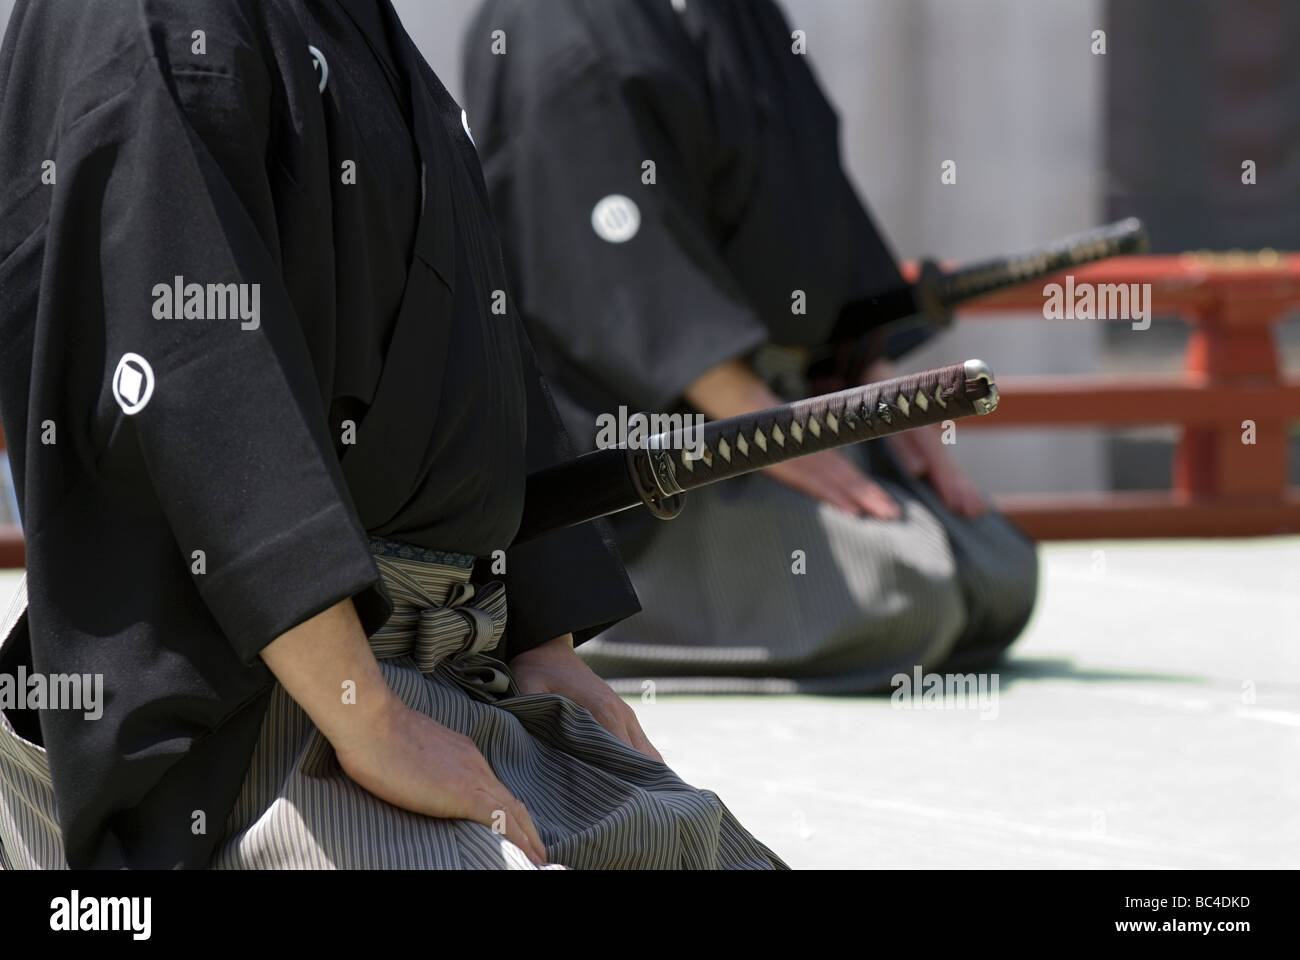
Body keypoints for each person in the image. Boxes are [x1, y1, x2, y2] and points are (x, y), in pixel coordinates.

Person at [0, 0, 784, 870]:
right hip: (248, 718)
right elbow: (194, 375)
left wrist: (544, 645)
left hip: (444, 677)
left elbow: (472, 357)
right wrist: (363, 714)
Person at [462, 0, 1039, 695]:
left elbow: (813, 206)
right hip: (640, 451)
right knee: (905, 593)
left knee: (1002, 574)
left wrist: (875, 382)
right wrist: (754, 423)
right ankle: (582, 617)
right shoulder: (551, 22)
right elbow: (610, 261)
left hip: (775, 407)